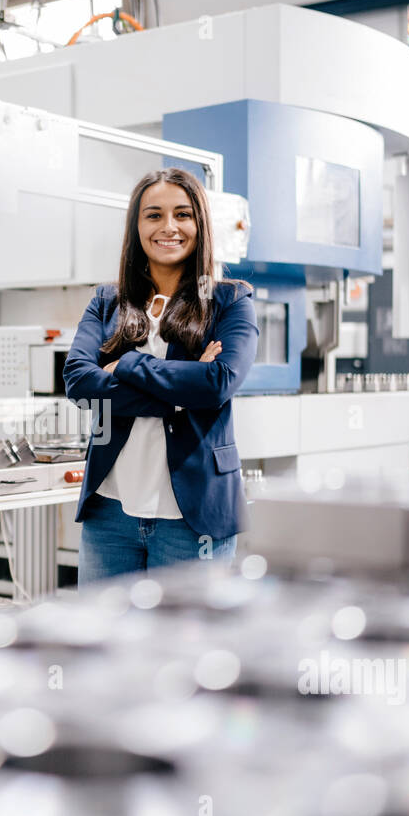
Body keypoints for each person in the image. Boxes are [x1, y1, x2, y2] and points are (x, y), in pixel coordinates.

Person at [63, 166, 258, 585]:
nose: (168, 227)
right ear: (136, 227)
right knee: (104, 643)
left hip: (193, 516)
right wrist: (181, 390)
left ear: (200, 223)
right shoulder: (107, 301)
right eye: (153, 215)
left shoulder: (230, 301)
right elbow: (79, 382)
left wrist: (130, 366)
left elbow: (218, 383)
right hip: (110, 512)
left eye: (182, 214)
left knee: (188, 646)